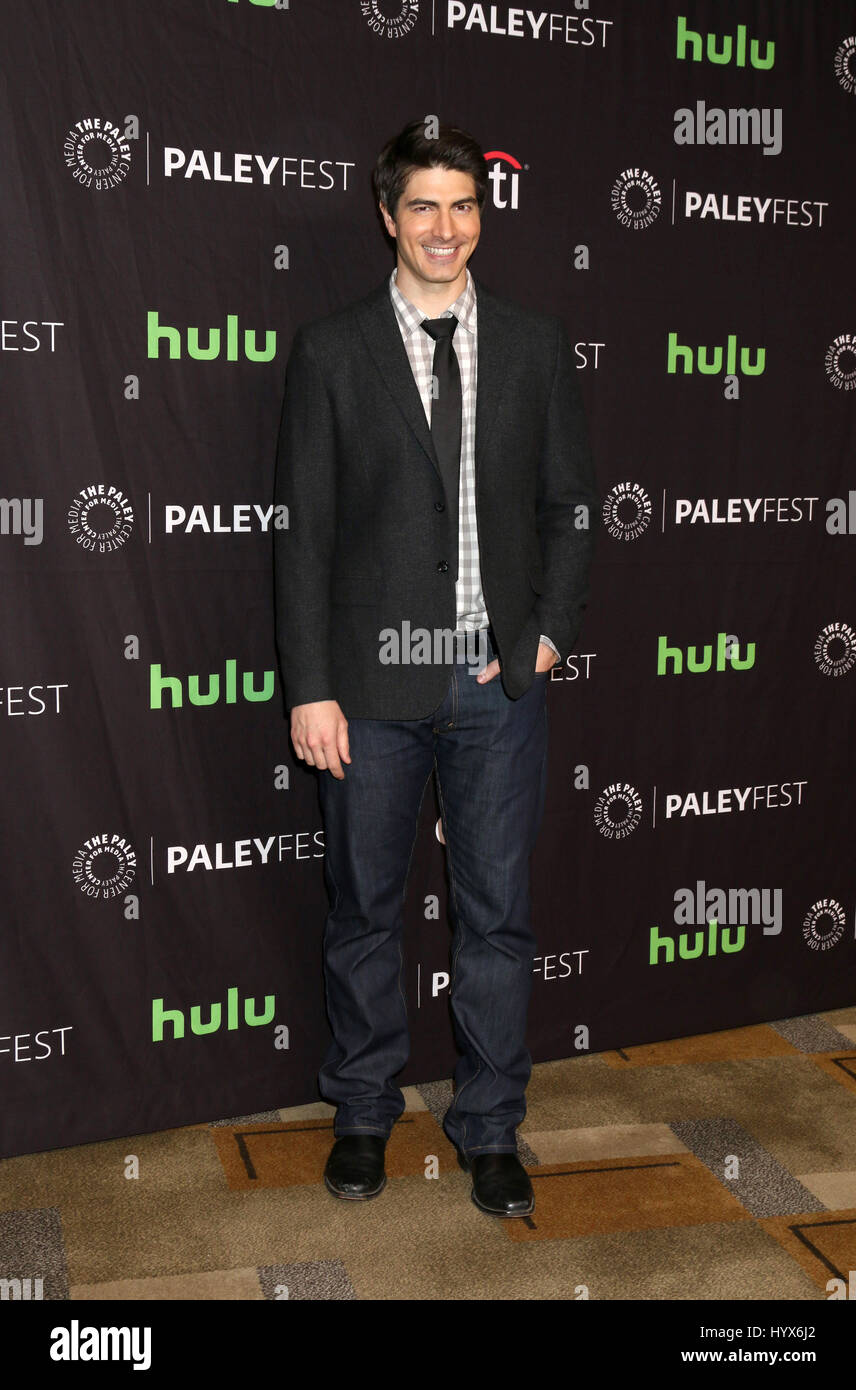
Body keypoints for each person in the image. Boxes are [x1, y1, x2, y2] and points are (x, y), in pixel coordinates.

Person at [273, 118, 598, 1218]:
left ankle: (490, 1127)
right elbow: (303, 536)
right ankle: (362, 1111)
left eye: (463, 204)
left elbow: (569, 509)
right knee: (364, 907)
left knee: (496, 916)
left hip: (493, 686)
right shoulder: (327, 350)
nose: (444, 227)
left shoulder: (534, 342)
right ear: (386, 216)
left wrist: (544, 637)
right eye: (422, 205)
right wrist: (310, 686)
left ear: (481, 215)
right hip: (367, 689)